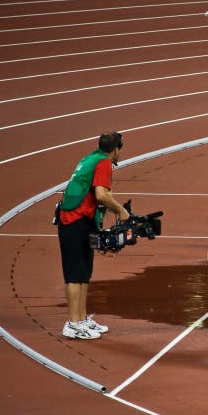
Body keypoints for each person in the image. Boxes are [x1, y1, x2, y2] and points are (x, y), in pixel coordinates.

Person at [57, 131, 129, 339]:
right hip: (74, 222)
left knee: (84, 273)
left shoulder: (92, 157)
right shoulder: (104, 163)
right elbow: (101, 194)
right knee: (74, 274)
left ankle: (81, 320)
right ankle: (72, 323)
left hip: (81, 221)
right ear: (115, 149)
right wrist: (120, 211)